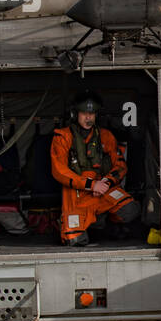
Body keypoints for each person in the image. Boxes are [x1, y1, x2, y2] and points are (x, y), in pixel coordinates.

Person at [50, 90, 140, 246]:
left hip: (103, 189)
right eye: (84, 113)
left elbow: (120, 166)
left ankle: (104, 222)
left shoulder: (106, 136)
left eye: (91, 114)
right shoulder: (62, 137)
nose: (88, 117)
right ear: (75, 114)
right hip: (77, 193)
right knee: (74, 240)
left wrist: (106, 182)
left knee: (130, 209)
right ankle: (82, 224)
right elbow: (59, 171)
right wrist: (91, 185)